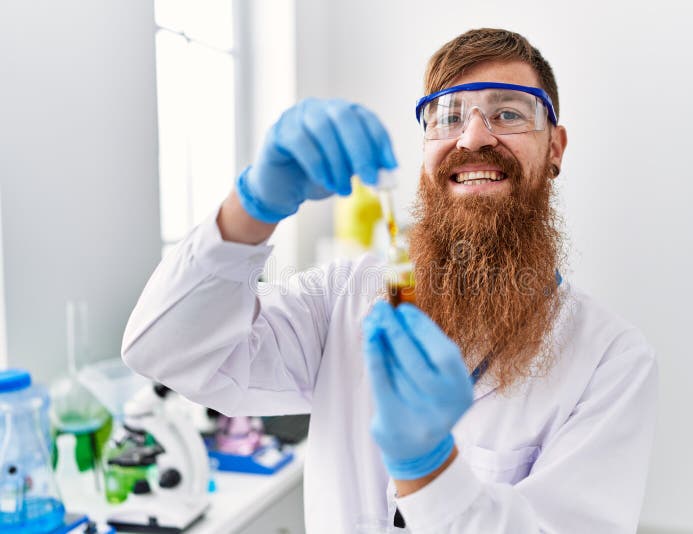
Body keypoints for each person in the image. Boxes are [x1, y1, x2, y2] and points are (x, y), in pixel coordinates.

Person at [122, 28, 658, 534]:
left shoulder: (612, 362)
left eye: (508, 113)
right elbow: (166, 351)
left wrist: (429, 468)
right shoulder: (344, 298)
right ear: (426, 151)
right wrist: (252, 206)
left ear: (555, 148)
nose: (473, 136)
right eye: (448, 115)